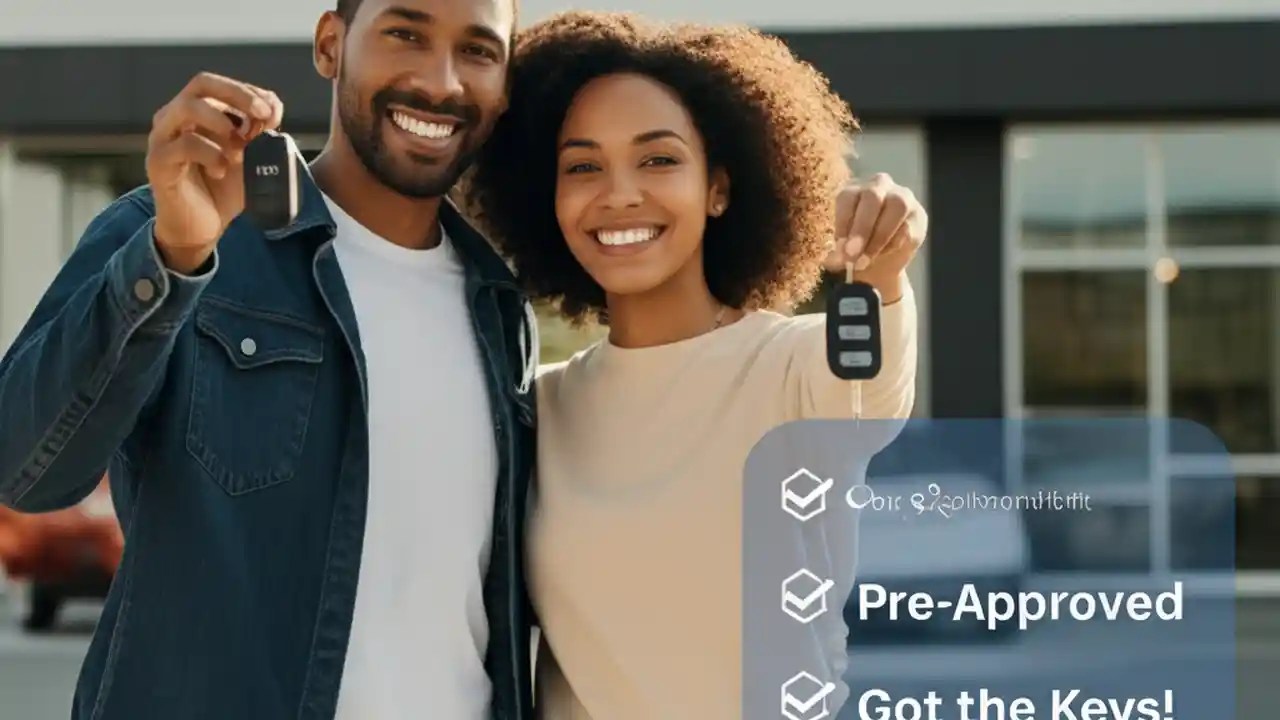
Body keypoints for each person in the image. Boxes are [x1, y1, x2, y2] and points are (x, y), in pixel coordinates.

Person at [0, 0, 539, 717]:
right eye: (404, 33)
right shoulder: (178, 237)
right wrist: (175, 255)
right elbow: (25, 471)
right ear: (330, 44)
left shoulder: (503, 310)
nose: (439, 81)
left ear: (504, 85)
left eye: (477, 50)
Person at [463, 11, 926, 719]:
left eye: (658, 159)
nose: (619, 193)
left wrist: (883, 270)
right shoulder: (540, 407)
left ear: (719, 188)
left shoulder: (793, 367)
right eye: (583, 166)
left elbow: (873, 383)